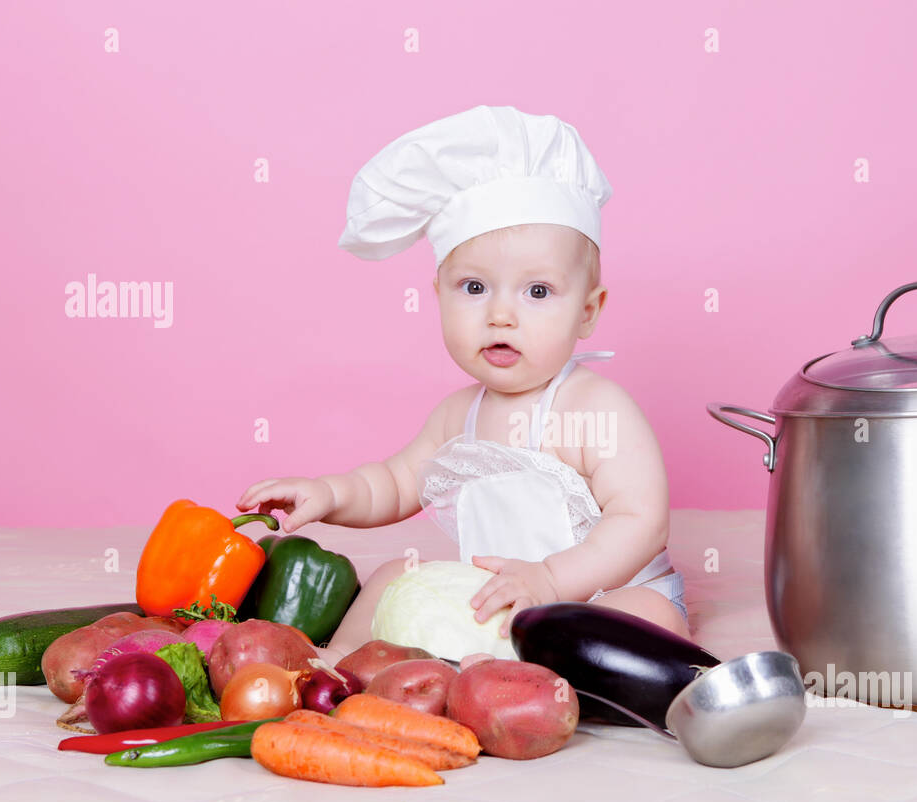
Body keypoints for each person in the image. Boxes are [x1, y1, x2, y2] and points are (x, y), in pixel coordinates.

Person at [235, 105, 689, 663]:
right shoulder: (458, 415)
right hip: (494, 596)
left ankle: (547, 677)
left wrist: (549, 581)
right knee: (393, 575)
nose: (500, 315)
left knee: (655, 617)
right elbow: (395, 484)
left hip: (593, 593)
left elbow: (640, 522)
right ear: (438, 295)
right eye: (474, 288)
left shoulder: (596, 408)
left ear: (588, 312)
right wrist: (330, 494)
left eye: (538, 293)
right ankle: (337, 668)